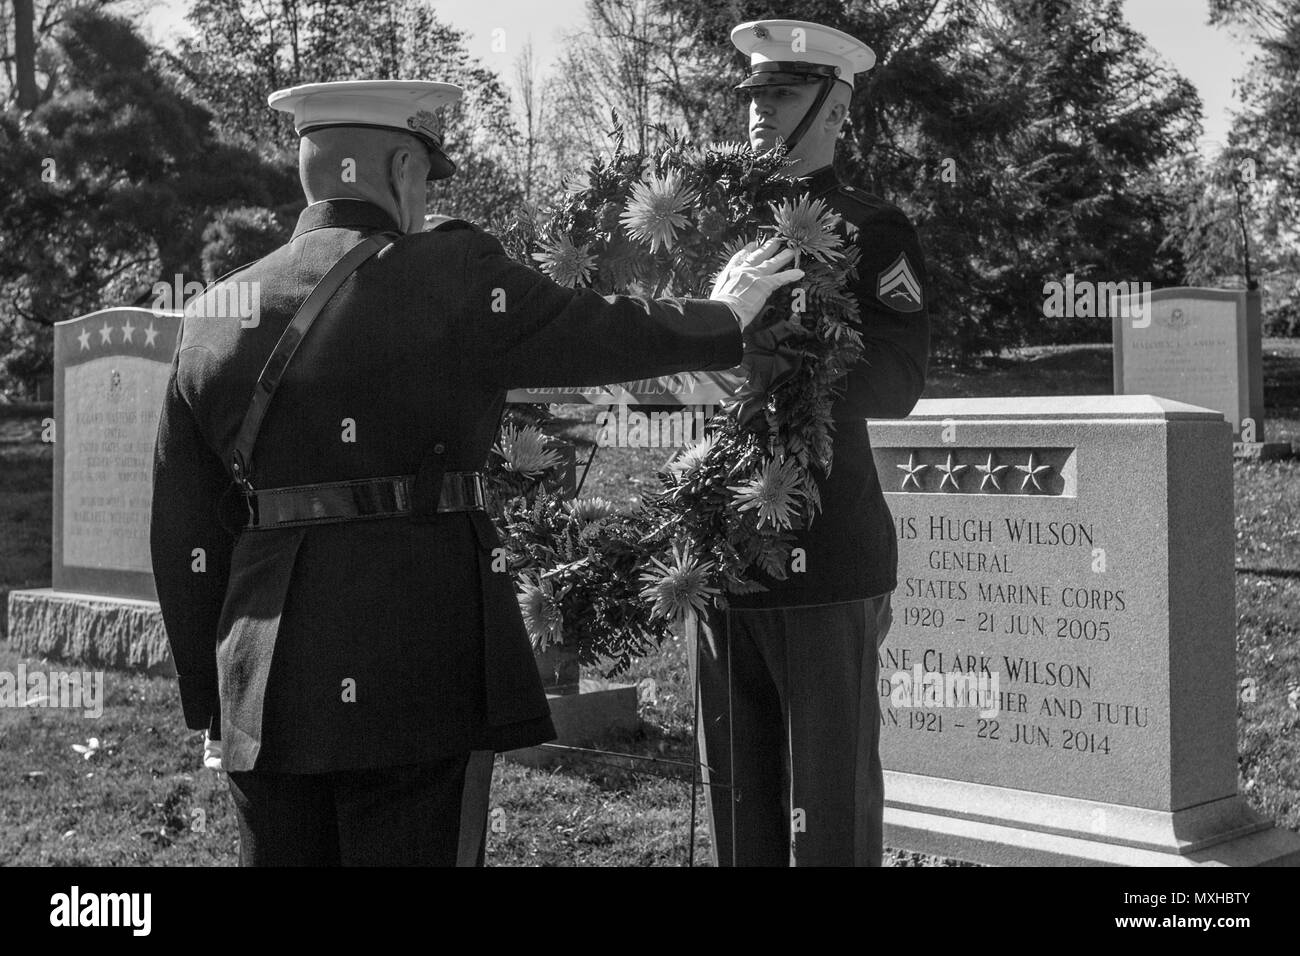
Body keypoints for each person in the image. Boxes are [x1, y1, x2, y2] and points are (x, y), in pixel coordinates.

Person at [149, 78, 802, 867]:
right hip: (414, 665)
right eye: (426, 172)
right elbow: (596, 332)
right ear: (401, 170)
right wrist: (724, 315)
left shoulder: (213, 313)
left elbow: (183, 532)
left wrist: (216, 702)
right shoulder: (451, 271)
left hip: (262, 683)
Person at [692, 20, 931, 866]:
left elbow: (898, 379)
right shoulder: (712, 229)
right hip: (718, 545)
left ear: (837, 106)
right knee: (738, 800)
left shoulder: (873, 229)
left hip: (824, 547)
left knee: (828, 811)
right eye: (753, 94)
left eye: (784, 93)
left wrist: (776, 364)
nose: (760, 112)